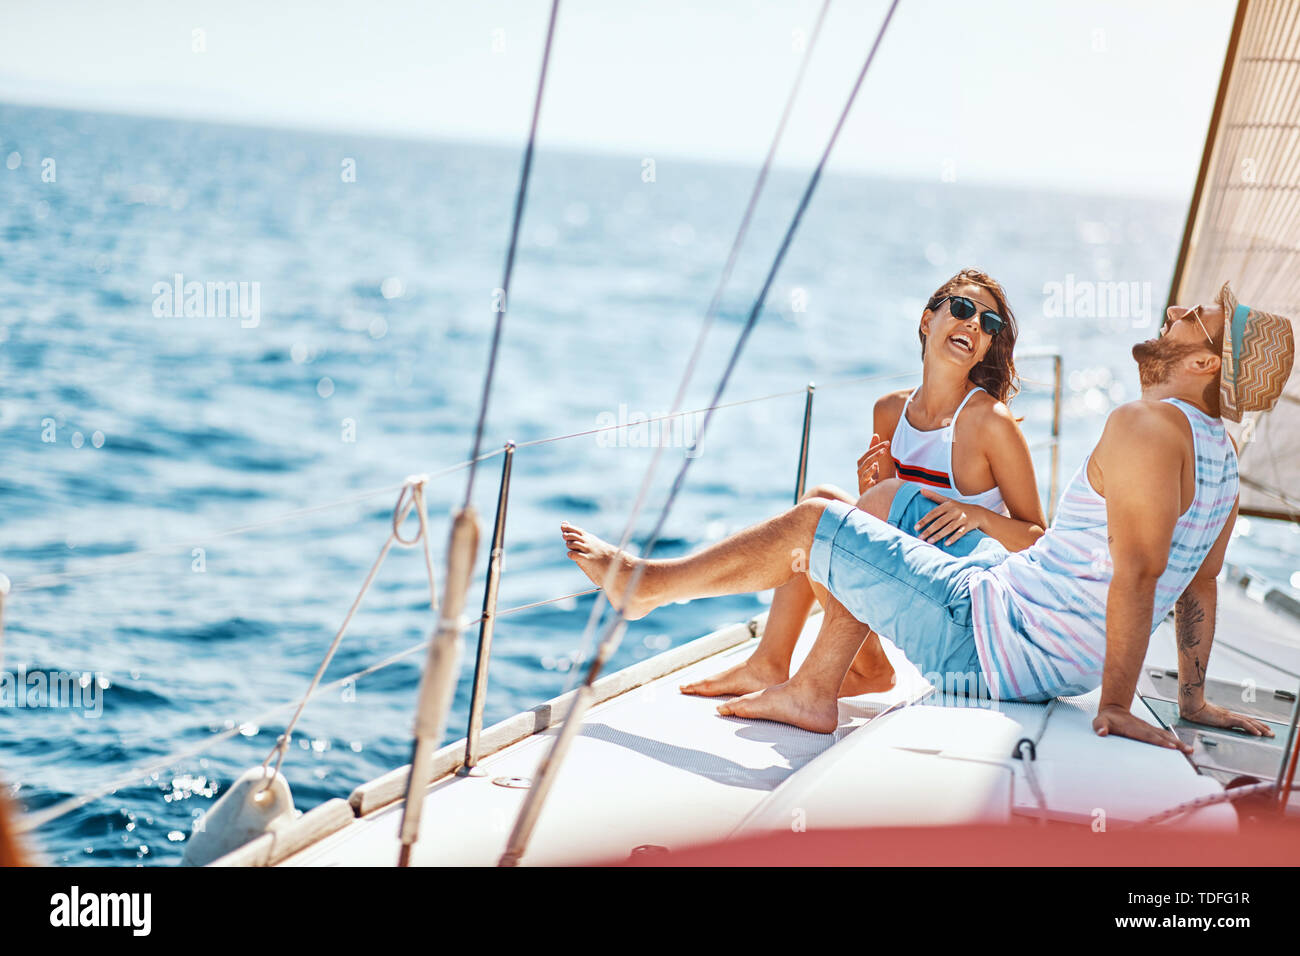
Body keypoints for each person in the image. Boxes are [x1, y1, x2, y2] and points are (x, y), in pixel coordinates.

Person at [560, 281, 1293, 749]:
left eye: (1195, 318)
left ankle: (648, 584)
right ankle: (818, 679)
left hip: (990, 640)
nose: (1175, 312)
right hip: (1015, 613)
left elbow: (1140, 573)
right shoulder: (1221, 459)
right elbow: (1199, 584)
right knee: (878, 506)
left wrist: (1117, 706)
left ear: (1204, 365)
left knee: (818, 525)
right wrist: (1191, 700)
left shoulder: (1144, 425)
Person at [679, 268, 1046, 700]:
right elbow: (895, 516)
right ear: (928, 321)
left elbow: (1038, 540)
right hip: (911, 581)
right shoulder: (889, 411)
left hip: (959, 600)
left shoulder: (990, 423)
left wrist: (978, 515)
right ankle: (774, 663)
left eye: (989, 324)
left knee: (826, 521)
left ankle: (856, 669)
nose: (973, 324)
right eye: (963, 308)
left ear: (986, 347)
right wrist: (876, 491)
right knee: (820, 503)